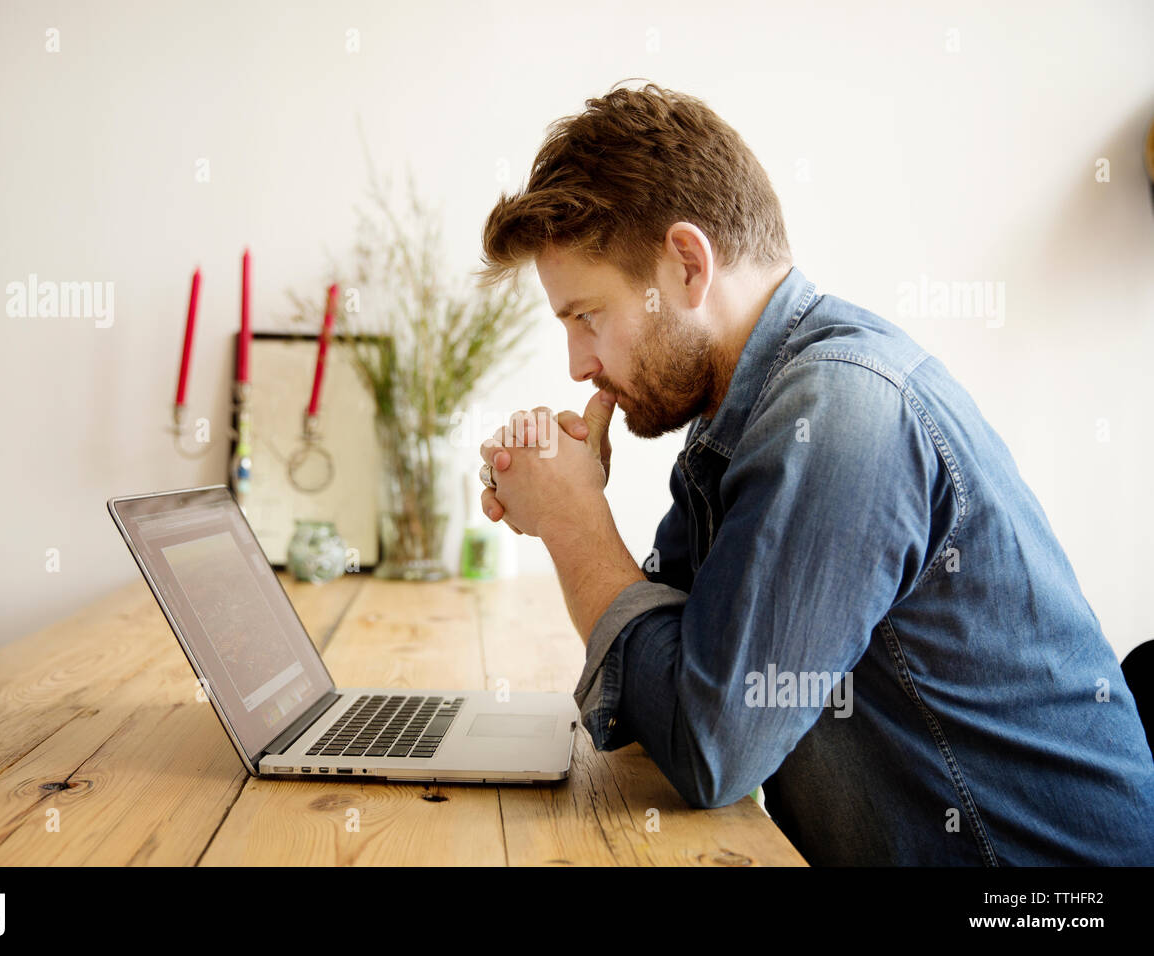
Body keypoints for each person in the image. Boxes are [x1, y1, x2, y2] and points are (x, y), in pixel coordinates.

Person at [471, 81, 1154, 865]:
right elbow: (658, 688)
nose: (578, 365)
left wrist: (569, 522)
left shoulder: (841, 411)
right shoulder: (743, 418)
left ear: (688, 266)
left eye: (586, 317)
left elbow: (708, 746)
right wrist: (574, 506)